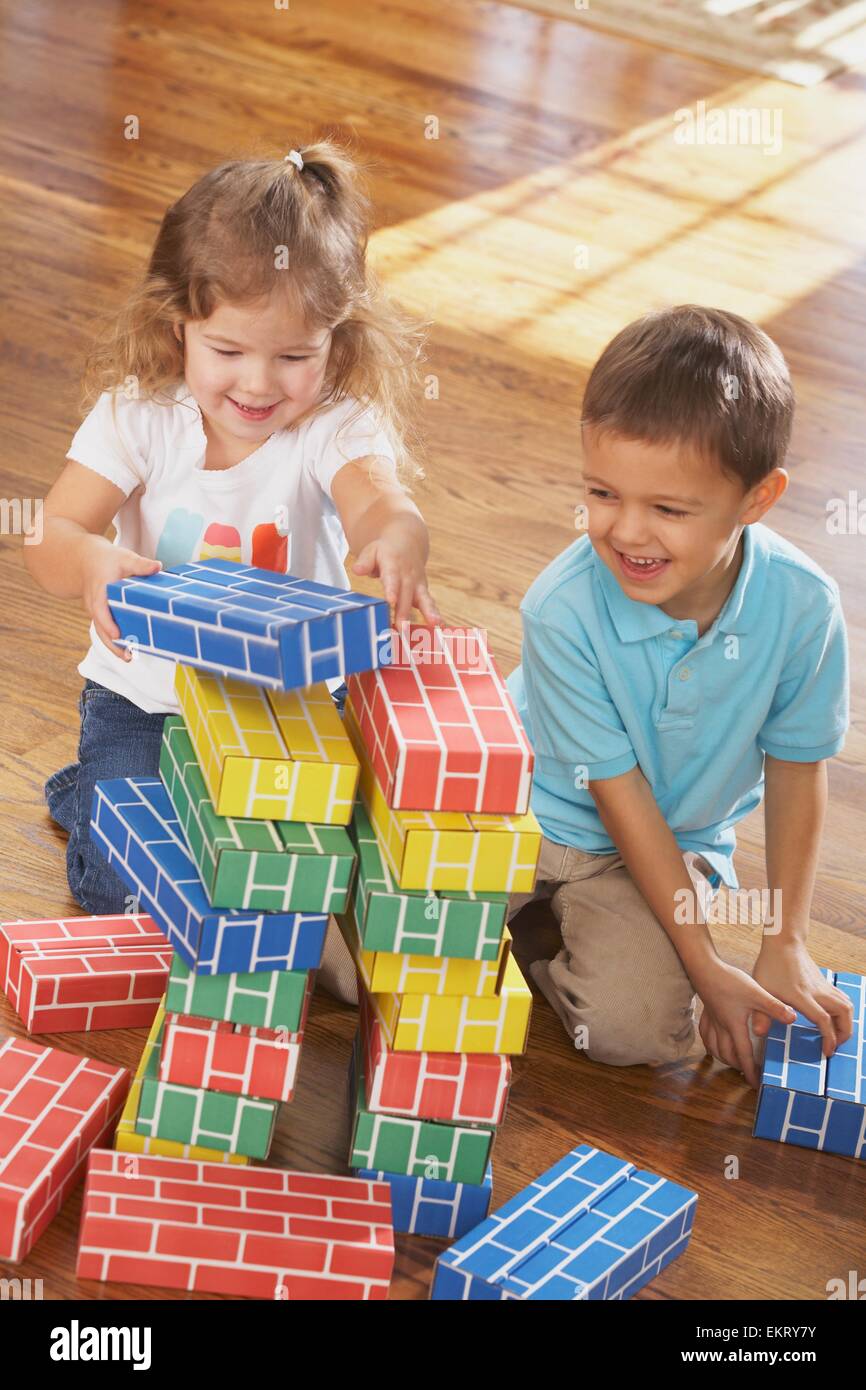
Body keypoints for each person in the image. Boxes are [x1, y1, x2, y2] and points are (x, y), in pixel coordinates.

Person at [26, 142, 439, 1006]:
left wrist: (396, 536)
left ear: (339, 337)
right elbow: (50, 531)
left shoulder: (336, 424)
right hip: (144, 704)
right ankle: (94, 800)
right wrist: (93, 557)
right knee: (141, 891)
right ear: (178, 321)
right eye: (228, 350)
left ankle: (289, 914)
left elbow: (379, 502)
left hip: (286, 715)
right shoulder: (141, 417)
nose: (259, 383)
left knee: (327, 870)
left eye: (295, 356)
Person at [506, 304, 853, 1085]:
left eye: (668, 509)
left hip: (656, 856)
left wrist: (784, 941)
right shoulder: (559, 608)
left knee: (641, 1034)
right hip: (517, 816)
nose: (626, 532)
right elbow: (617, 794)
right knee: (364, 972)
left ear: (758, 499)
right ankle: (529, 924)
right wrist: (702, 961)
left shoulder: (804, 608)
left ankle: (536, 939)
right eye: (603, 493)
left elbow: (799, 768)